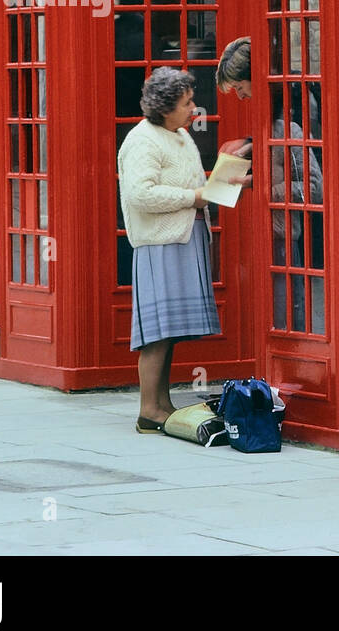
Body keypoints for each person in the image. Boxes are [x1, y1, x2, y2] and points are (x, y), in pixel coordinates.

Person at [117, 67, 221, 433]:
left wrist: (227, 180)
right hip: (161, 242)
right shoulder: (143, 140)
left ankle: (162, 404)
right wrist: (193, 197)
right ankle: (148, 409)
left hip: (184, 238)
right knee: (156, 333)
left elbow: (193, 182)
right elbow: (139, 195)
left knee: (171, 330)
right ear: (164, 107)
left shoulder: (178, 135)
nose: (194, 108)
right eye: (187, 102)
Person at [215, 37, 323, 331]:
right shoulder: (264, 127)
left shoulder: (289, 127)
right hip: (259, 239)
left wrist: (259, 185)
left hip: (283, 239)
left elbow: (314, 188)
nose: (240, 97)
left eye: (240, 88)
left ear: (256, 78)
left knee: (288, 316)